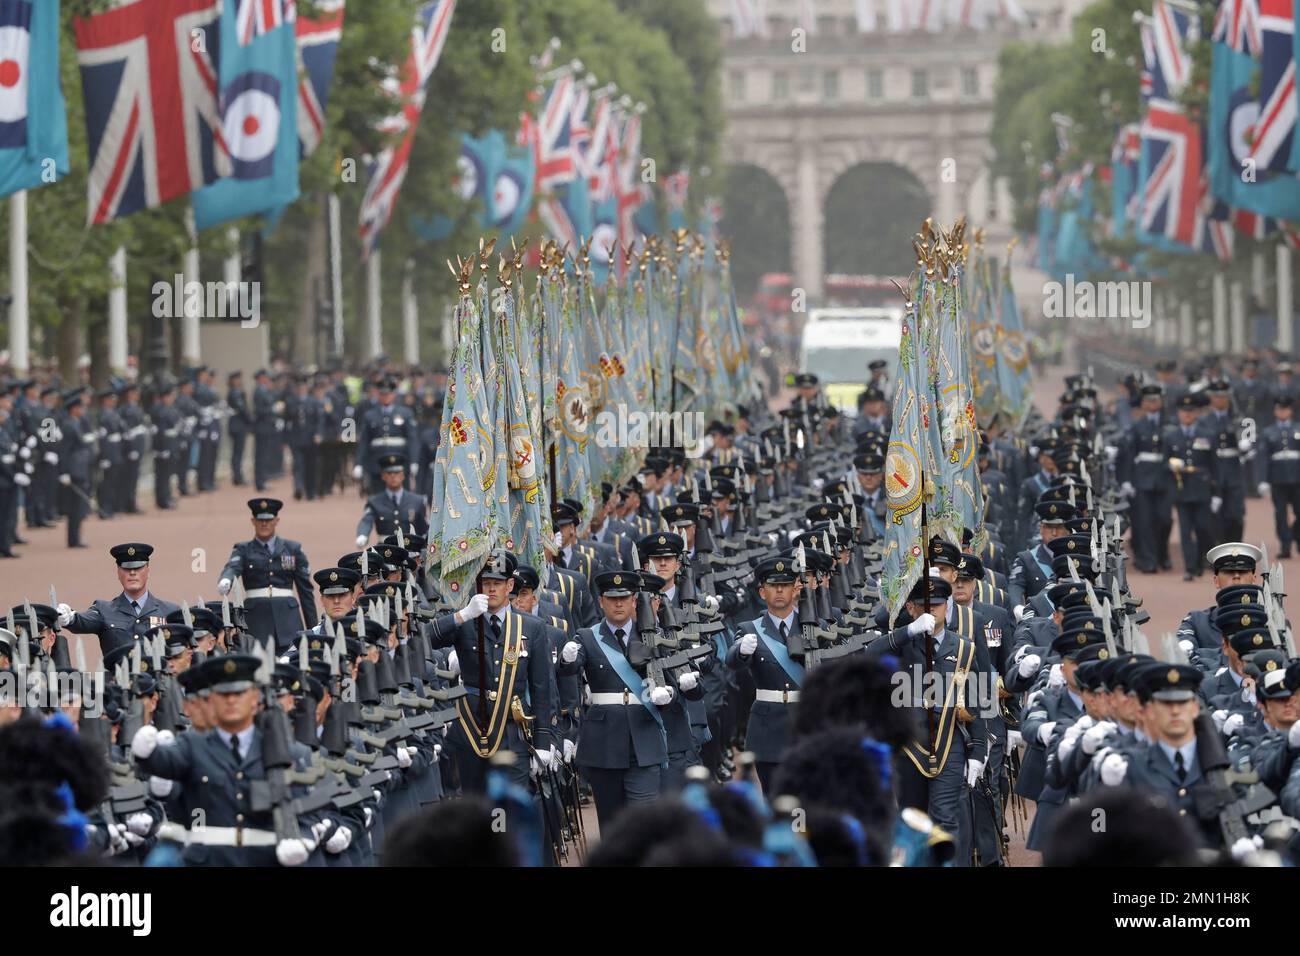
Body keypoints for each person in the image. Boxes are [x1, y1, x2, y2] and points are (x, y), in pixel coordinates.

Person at [867, 575, 988, 865]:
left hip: (950, 742)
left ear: (947, 606)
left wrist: (979, 750)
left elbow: (980, 699)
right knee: (912, 818)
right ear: (911, 608)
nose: (931, 611)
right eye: (924, 605)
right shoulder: (902, 645)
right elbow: (869, 656)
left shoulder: (964, 648)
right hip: (909, 746)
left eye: (937, 604)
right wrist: (907, 632)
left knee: (946, 818)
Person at [556, 569, 671, 828]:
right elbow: (569, 670)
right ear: (601, 602)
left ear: (634, 601)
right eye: (611, 598)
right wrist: (567, 658)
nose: (618, 604)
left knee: (645, 824)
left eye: (624, 598)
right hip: (604, 744)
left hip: (644, 738)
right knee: (612, 824)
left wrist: (668, 695)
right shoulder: (587, 637)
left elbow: (671, 682)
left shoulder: (651, 635)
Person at [217, 499, 317, 651]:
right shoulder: (243, 549)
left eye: (268, 520)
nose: (264, 524)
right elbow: (233, 566)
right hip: (256, 621)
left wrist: (314, 629)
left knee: (290, 663)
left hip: (288, 620)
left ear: (276, 520)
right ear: (253, 521)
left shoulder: (292, 549)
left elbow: (305, 592)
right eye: (260, 520)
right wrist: (226, 579)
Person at [56, 544, 180, 655]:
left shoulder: (170, 611)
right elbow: (85, 620)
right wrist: (71, 618)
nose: (132, 572)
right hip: (117, 679)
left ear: (148, 571)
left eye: (138, 568)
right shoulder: (104, 609)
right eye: (126, 568)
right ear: (118, 573)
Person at [1258, 395, 1300, 557]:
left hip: (1297, 478)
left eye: (1286, 409)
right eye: (1279, 409)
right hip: (1278, 478)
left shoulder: (1298, 428)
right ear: (1275, 411)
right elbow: (1263, 458)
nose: (1283, 412)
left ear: (1290, 410)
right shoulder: (1268, 432)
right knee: (1280, 513)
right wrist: (1263, 480)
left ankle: (1296, 535)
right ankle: (1285, 545)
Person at [354, 454, 428, 546]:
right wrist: (362, 535)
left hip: (410, 551)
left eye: (396, 473)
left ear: (402, 476)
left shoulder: (417, 501)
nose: (393, 477)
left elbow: (424, 529)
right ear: (383, 476)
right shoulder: (374, 502)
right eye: (389, 473)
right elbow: (366, 521)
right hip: (385, 551)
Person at [227, 371, 252, 487]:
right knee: (237, 452)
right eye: (237, 379)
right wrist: (251, 420)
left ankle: (238, 475)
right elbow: (242, 409)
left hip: (239, 425)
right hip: (237, 426)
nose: (239, 381)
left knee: (239, 452)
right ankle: (237, 476)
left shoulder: (237, 392)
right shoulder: (235, 393)